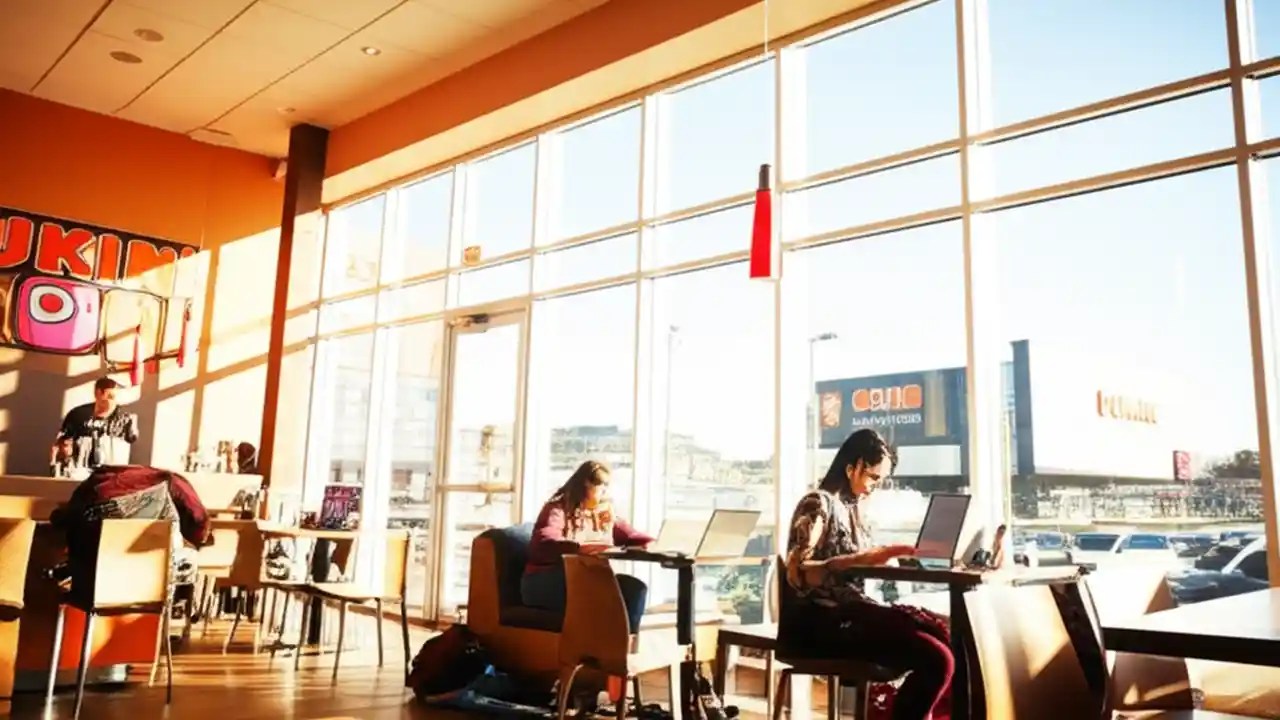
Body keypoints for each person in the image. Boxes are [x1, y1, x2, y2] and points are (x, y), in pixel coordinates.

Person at [781, 429, 953, 720]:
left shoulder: (854, 511)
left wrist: (893, 560)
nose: (875, 486)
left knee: (943, 637)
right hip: (820, 623)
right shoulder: (817, 504)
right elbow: (796, 573)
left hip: (849, 616)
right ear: (853, 467)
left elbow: (861, 563)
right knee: (937, 658)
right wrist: (860, 560)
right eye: (873, 478)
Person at [522, 460, 653, 632]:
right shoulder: (558, 509)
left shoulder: (602, 512)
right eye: (601, 486)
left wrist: (650, 542)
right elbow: (543, 542)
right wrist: (578, 548)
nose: (605, 491)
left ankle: (621, 646)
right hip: (544, 580)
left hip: (584, 579)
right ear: (586, 485)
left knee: (634, 589)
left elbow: (628, 534)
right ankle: (594, 648)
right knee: (599, 588)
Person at [50, 376, 139, 472]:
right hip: (80, 473)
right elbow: (61, 445)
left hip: (111, 475)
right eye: (110, 397)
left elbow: (130, 441)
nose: (113, 402)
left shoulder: (124, 419)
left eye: (115, 398)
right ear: (98, 393)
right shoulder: (78, 415)